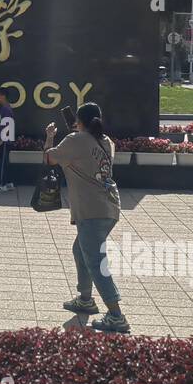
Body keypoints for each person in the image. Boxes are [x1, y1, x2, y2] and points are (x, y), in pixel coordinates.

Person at [44, 102, 129, 334]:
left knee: (95, 261)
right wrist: (77, 132)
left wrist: (50, 136)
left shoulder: (76, 140)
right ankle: (85, 299)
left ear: (79, 121)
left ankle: (116, 315)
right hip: (109, 207)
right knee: (80, 251)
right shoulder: (107, 142)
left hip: (91, 210)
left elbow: (49, 159)